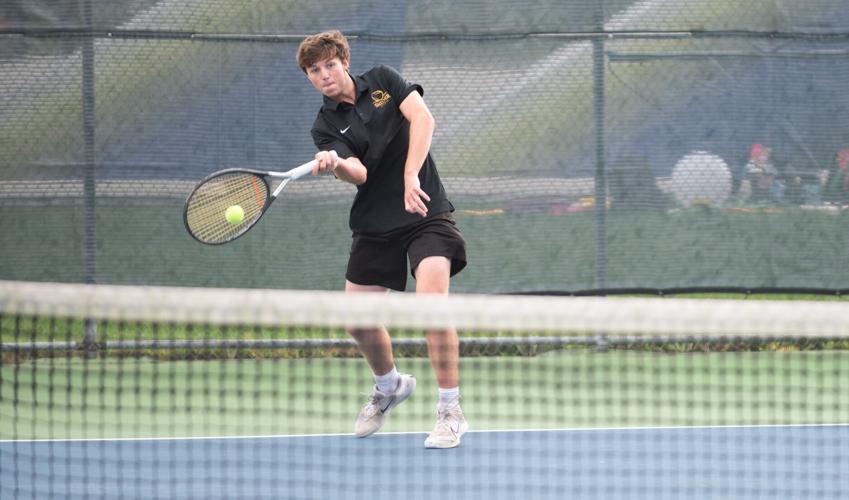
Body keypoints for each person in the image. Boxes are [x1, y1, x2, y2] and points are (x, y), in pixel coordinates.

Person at [296, 31, 469, 448]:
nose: (324, 75)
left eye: (329, 65)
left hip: (424, 210)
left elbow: (424, 119)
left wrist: (411, 174)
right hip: (375, 222)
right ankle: (389, 386)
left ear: (344, 61)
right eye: (314, 71)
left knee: (432, 307)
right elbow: (359, 173)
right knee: (357, 320)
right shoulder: (325, 125)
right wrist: (336, 162)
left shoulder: (383, 80)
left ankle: (450, 410)